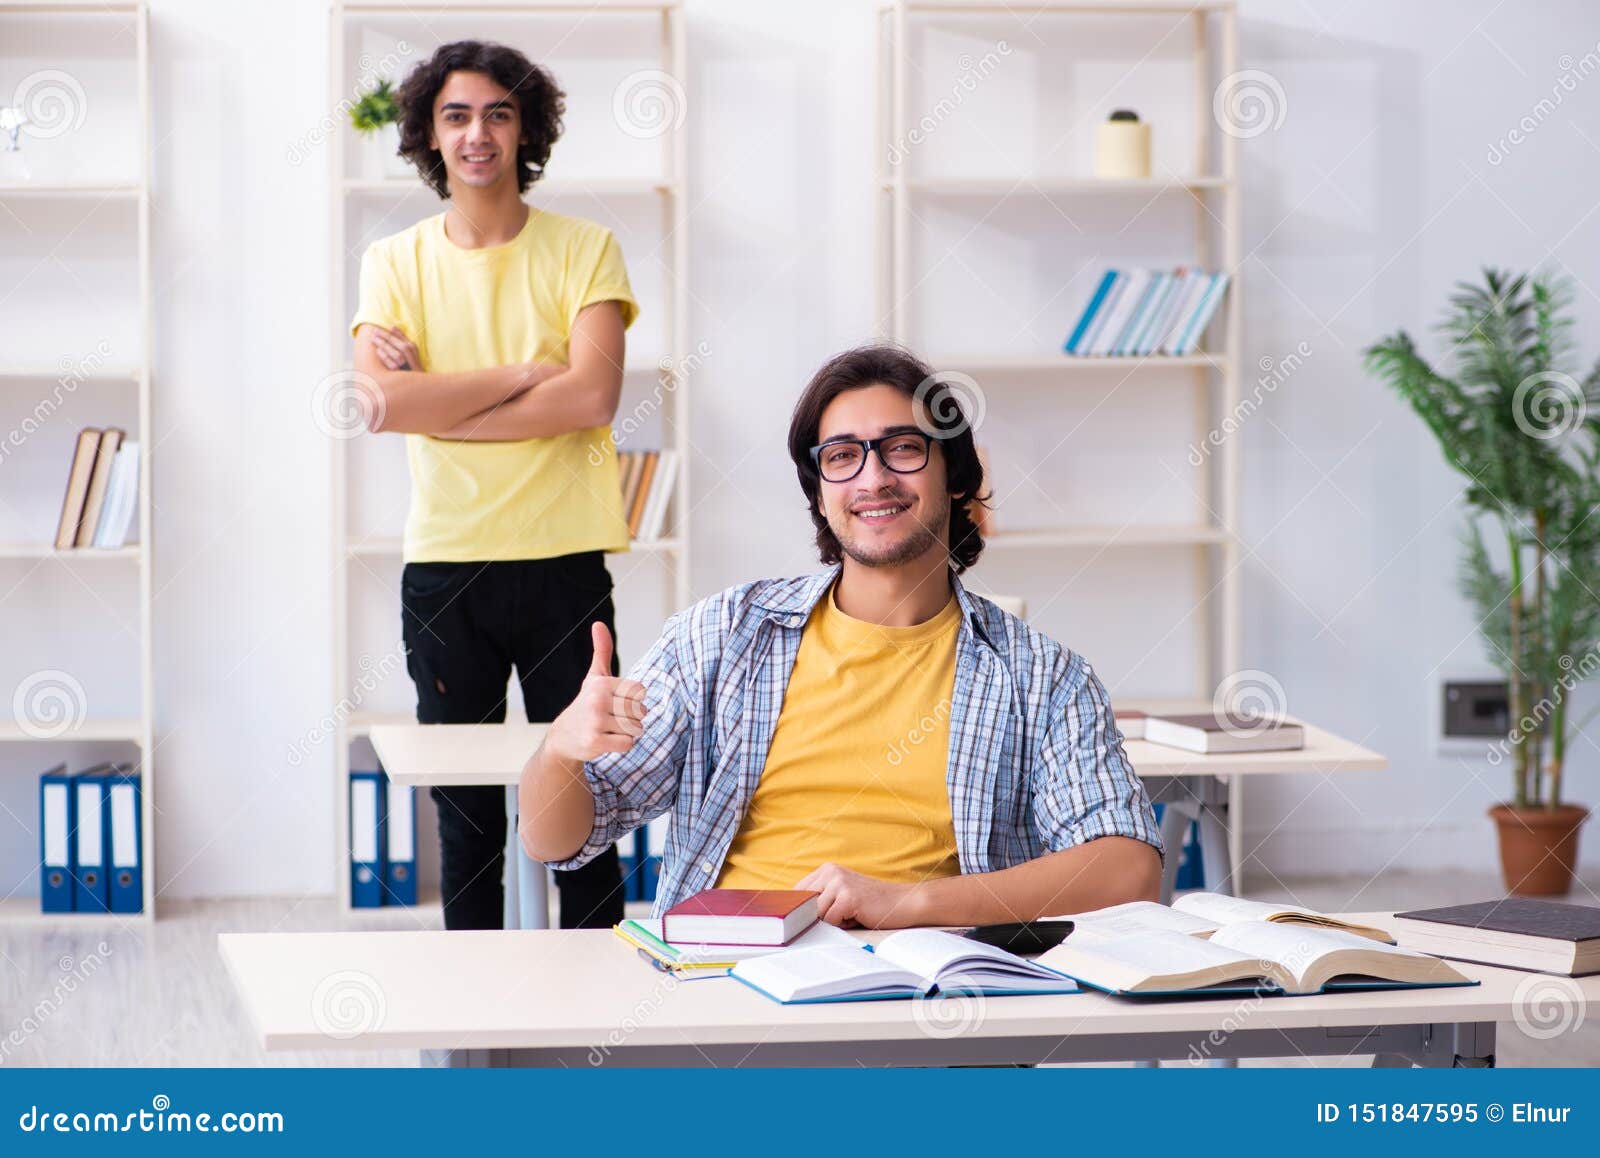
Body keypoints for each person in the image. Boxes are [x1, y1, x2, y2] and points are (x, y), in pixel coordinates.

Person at [519, 344, 1163, 929]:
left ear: (956, 474)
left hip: (934, 994)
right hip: (728, 986)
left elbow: (1129, 870)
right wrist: (559, 752)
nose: (873, 478)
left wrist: (907, 903)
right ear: (821, 493)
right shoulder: (719, 634)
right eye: (842, 456)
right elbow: (559, 841)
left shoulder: (1043, 676)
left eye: (904, 448)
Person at [349, 40, 635, 930]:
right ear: (429, 136)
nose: (478, 134)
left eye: (499, 114)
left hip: (564, 566)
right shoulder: (392, 261)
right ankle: (478, 1044)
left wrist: (443, 399)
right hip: (446, 569)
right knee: (467, 816)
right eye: (457, 115)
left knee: (583, 803)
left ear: (526, 130)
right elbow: (380, 404)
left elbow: (592, 393)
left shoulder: (586, 248)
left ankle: (603, 1031)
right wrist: (520, 374)